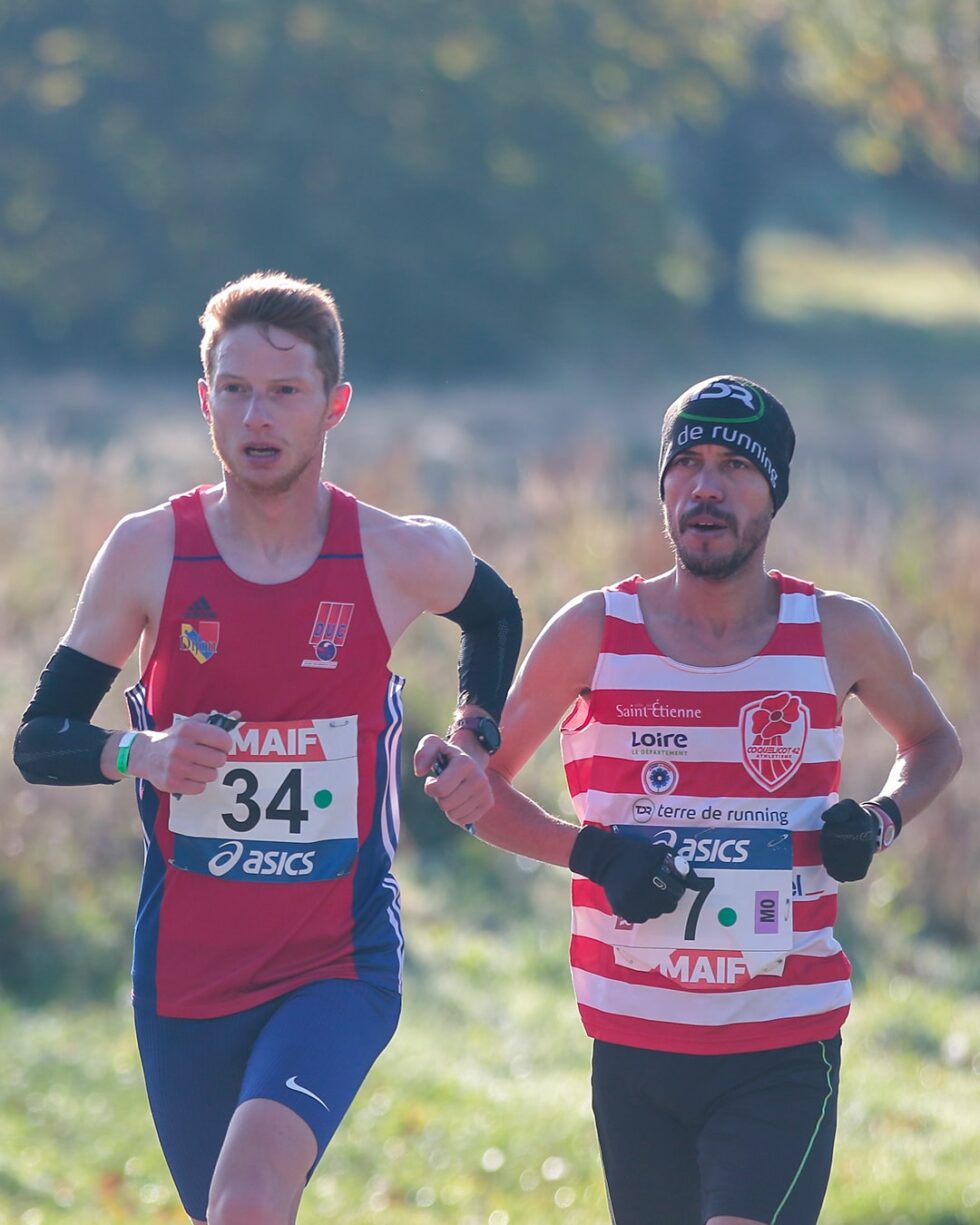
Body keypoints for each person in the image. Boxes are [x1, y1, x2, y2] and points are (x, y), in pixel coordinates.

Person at [13, 270, 521, 1225]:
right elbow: (40, 741)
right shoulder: (147, 551)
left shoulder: (395, 552)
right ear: (206, 402)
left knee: (248, 1200)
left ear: (335, 405)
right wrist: (143, 754)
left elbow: (493, 615)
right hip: (186, 977)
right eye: (236, 389)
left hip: (337, 962)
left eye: (286, 391)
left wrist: (474, 734)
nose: (259, 413)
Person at [419, 374, 961, 1225]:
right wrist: (592, 853)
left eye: (735, 469)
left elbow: (934, 745)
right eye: (688, 465)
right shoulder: (595, 631)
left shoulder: (838, 630)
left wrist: (880, 820)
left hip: (781, 1043)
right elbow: (480, 792)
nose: (707, 488)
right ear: (665, 487)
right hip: (634, 1045)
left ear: (775, 493)